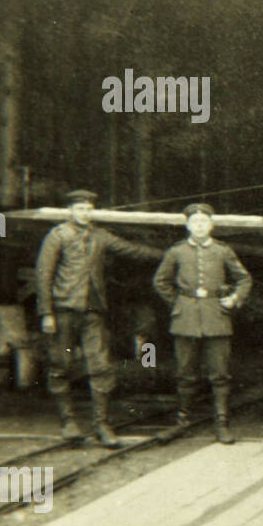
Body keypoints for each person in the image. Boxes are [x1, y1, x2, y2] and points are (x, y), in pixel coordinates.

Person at [35, 189, 163, 448]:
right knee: (61, 364)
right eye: (79, 208)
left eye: (88, 209)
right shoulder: (57, 236)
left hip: (93, 312)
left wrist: (169, 254)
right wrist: (46, 312)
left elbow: (132, 250)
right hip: (63, 310)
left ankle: (102, 424)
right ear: (70, 211)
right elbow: (43, 275)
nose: (84, 213)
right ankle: (68, 421)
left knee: (101, 366)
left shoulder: (100, 236)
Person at [152, 203, 252, 444]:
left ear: (211, 225)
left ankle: (222, 422)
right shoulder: (176, 252)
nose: (199, 226)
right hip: (185, 319)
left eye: (204, 222)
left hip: (216, 317)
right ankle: (182, 420)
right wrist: (178, 304)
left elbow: (244, 279)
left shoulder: (222, 251)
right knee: (185, 372)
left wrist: (234, 299)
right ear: (187, 225)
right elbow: (160, 281)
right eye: (195, 222)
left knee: (219, 373)